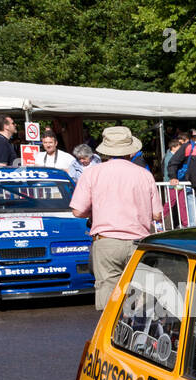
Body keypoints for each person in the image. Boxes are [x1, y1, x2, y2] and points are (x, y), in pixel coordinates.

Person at [68, 126, 162, 311]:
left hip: (106, 241)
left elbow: (78, 211)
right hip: (139, 242)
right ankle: (136, 334)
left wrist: (97, 211)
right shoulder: (145, 175)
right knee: (139, 296)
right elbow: (157, 214)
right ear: (129, 150)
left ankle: (111, 335)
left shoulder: (92, 173)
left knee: (109, 296)